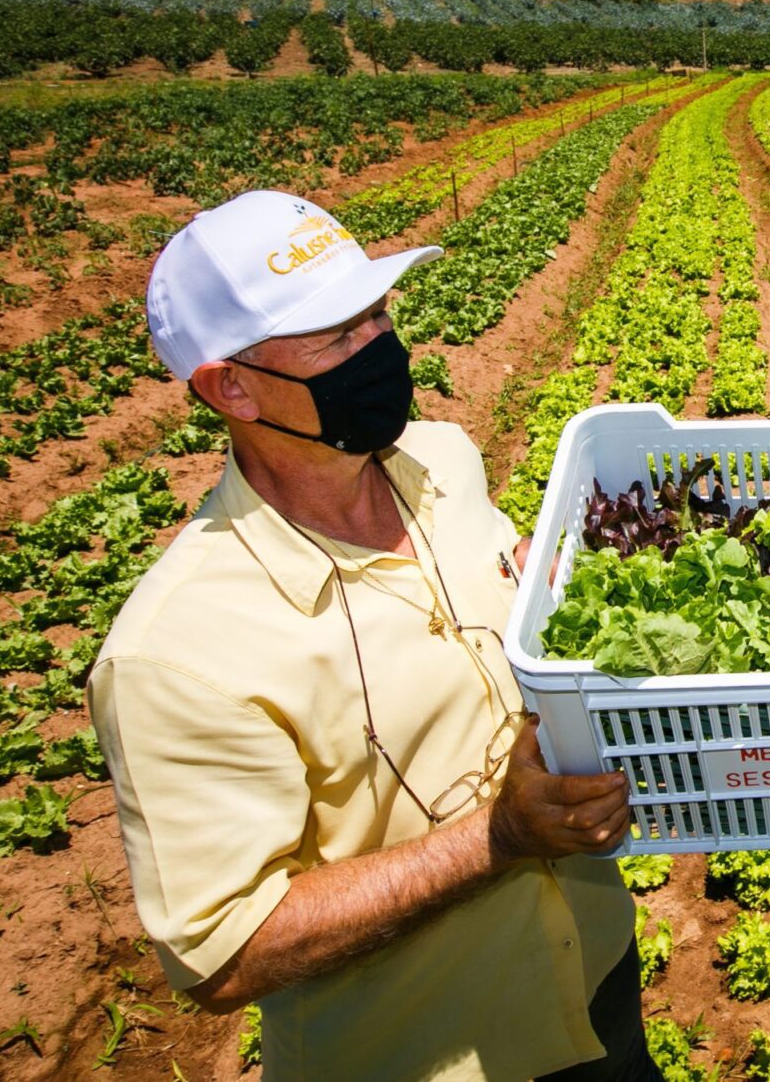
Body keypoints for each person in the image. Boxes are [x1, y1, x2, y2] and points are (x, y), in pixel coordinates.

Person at [88, 191, 645, 1080]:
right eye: (334, 338)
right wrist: (496, 837)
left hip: (599, 985)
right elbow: (224, 954)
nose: (378, 351)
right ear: (229, 385)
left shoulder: (444, 463)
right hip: (431, 1055)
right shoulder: (177, 654)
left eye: (377, 316)